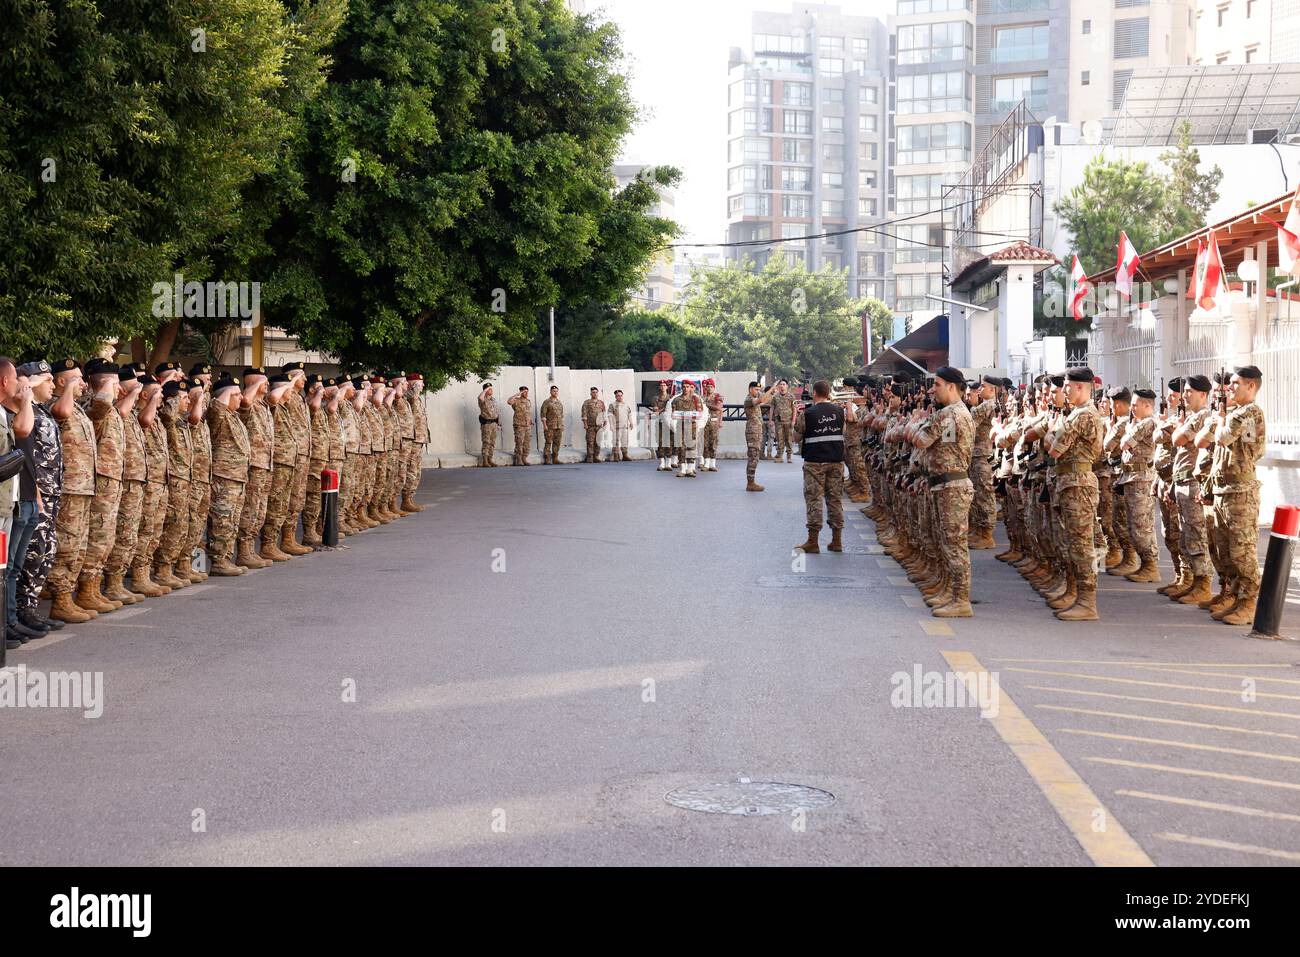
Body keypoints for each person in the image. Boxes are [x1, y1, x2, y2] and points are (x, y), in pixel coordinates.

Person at [904, 366, 975, 618]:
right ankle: (949, 591)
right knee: (945, 542)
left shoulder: (950, 415)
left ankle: (960, 599)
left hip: (952, 486)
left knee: (954, 545)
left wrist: (913, 425)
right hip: (945, 484)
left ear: (952, 387)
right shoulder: (953, 415)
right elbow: (942, 446)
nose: (933, 389)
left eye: (937, 384)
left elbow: (921, 440)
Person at [1204, 365, 1267, 626]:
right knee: (1225, 550)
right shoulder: (1236, 413)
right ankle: (1234, 597)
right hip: (1225, 489)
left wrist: (1221, 417)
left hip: (1241, 492)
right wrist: (1209, 487)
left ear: (1251, 386)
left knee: (1242, 552)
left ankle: (1249, 602)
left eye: (1235, 383)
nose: (1229, 388)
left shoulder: (1249, 413)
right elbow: (1219, 458)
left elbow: (1223, 438)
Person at [1043, 367, 1105, 621]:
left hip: (1078, 484)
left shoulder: (1083, 415)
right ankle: (1075, 593)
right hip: (1070, 482)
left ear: (1080, 387)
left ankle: (1087, 601)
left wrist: (1051, 435)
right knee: (1072, 542)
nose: (1064, 391)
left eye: (1067, 386)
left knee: (1081, 546)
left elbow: (1054, 449)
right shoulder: (1077, 414)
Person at [15, 361, 66, 636]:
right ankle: (21, 610)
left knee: (44, 552)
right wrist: (30, 382)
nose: (54, 384)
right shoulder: (23, 410)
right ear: (32, 382)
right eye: (47, 380)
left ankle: (30, 607)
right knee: (30, 554)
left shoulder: (42, 412)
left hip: (50, 493)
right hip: (35, 492)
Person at [102, 367, 148, 605]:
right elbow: (118, 408)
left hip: (129, 479)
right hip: (116, 479)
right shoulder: (108, 407)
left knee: (128, 533)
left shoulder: (129, 412)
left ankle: (119, 582)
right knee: (114, 534)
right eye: (131, 388)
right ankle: (109, 584)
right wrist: (132, 394)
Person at [1167, 374, 1213, 605]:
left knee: (1196, 536)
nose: (1184, 395)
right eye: (1184, 391)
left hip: (1193, 483)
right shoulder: (1191, 417)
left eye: (1189, 392)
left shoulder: (1203, 415)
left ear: (1203, 395)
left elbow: (1177, 439)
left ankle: (1203, 584)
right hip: (1182, 481)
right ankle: (1192, 581)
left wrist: (1179, 429)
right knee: (1186, 537)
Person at [2, 358, 38, 643]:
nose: (21, 387)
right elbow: (23, 430)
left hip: (11, 501)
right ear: (5, 382)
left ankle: (8, 622)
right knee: (5, 567)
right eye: (17, 381)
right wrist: (26, 400)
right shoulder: (6, 413)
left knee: (10, 567)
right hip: (5, 503)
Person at [792, 380, 845, 553]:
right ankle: (837, 541)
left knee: (814, 499)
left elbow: (795, 438)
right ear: (828, 392)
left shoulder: (808, 413)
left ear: (814, 393)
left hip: (814, 463)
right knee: (835, 499)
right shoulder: (840, 412)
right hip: (836, 462)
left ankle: (813, 541)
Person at [206, 375, 251, 575]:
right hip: (224, 477)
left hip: (238, 477)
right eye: (236, 394)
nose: (240, 397)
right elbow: (216, 409)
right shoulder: (218, 415)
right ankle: (218, 561)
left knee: (232, 520)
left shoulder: (234, 417)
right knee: (221, 520)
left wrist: (233, 391)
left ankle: (226, 558)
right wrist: (226, 391)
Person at [1116, 388, 1161, 584]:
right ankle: (1144, 564)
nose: (1132, 408)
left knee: (1142, 525)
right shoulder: (1137, 423)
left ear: (1148, 406)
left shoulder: (1148, 423)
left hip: (1141, 479)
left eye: (1136, 405)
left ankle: (1150, 566)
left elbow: (1124, 443)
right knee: (1134, 524)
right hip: (1132, 477)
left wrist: (1129, 430)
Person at [237, 368, 274, 567]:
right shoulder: (248, 403)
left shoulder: (263, 405)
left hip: (265, 464)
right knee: (250, 509)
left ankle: (251, 550)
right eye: (263, 382)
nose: (267, 385)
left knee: (259, 510)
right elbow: (245, 402)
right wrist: (253, 385)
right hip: (254, 464)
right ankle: (243, 551)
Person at [967, 375, 999, 549]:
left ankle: (986, 534)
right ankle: (979, 531)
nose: (979, 389)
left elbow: (969, 423)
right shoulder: (984, 405)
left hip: (981, 455)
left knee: (984, 495)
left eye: (983, 387)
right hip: (977, 455)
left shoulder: (988, 405)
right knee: (978, 494)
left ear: (992, 389)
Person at [744, 381, 776, 492]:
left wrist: (771, 394)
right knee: (753, 457)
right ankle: (750, 483)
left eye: (759, 390)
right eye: (756, 390)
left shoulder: (754, 400)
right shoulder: (748, 400)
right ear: (750, 390)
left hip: (757, 431)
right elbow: (761, 400)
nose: (758, 392)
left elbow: (765, 401)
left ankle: (751, 482)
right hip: (752, 432)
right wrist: (771, 389)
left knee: (755, 456)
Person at [670, 379, 704, 477]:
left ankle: (690, 469)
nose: (685, 388)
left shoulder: (696, 399)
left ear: (690, 388)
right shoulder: (676, 400)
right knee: (681, 447)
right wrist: (676, 415)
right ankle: (682, 469)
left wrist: (693, 415)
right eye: (684, 386)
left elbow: (700, 413)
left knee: (691, 447)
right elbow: (673, 413)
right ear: (681, 387)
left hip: (692, 426)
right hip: (680, 426)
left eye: (687, 386)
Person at [701, 379, 724, 472]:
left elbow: (719, 408)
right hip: (704, 422)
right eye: (708, 386)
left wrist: (706, 405)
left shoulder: (718, 396)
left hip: (714, 422)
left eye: (711, 386)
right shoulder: (702, 397)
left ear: (714, 388)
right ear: (705, 387)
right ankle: (706, 463)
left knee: (713, 443)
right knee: (705, 443)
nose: (709, 388)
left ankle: (712, 464)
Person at [507, 385, 533, 466]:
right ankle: (518, 459)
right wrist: (517, 394)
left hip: (527, 425)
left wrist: (530, 421)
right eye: (524, 392)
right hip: (519, 425)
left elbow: (528, 412)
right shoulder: (516, 400)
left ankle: (524, 458)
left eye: (527, 391)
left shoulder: (528, 401)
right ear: (521, 392)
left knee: (527, 443)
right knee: (519, 442)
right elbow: (509, 402)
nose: (526, 393)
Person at [771, 380, 796, 463]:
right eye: (780, 384)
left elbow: (794, 408)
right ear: (778, 386)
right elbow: (772, 408)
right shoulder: (775, 397)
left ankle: (789, 456)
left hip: (788, 421)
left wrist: (793, 420)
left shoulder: (791, 396)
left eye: (784, 384)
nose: (782, 386)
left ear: (787, 386)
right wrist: (771, 420)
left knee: (788, 439)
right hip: (778, 421)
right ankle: (780, 456)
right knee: (779, 439)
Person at [580, 387, 606, 463]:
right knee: (590, 441)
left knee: (598, 442)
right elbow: (584, 413)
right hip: (590, 425)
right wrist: (585, 424)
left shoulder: (601, 402)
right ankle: (590, 457)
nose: (595, 393)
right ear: (590, 393)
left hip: (599, 425)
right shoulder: (587, 402)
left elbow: (603, 412)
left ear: (598, 393)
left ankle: (596, 456)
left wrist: (605, 421)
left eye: (596, 392)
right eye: (593, 392)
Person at [540, 385, 564, 464]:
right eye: (554, 391)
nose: (555, 392)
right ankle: (547, 458)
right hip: (550, 426)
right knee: (548, 442)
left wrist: (562, 425)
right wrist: (544, 425)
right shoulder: (547, 402)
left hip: (558, 426)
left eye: (557, 391)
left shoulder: (559, 403)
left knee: (557, 442)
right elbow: (543, 414)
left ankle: (555, 458)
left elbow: (561, 415)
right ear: (550, 392)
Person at [478, 383, 500, 467]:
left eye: (491, 388)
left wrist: (498, 424)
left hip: (494, 424)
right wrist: (486, 390)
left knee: (492, 443)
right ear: (485, 390)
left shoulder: (493, 400)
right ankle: (485, 460)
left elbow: (497, 412)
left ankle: (490, 459)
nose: (491, 390)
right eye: (489, 389)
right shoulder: (483, 399)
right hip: (486, 424)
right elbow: (480, 397)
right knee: (486, 442)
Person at [652, 380, 673, 471]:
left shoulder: (671, 398)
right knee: (660, 442)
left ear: (667, 387)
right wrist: (666, 407)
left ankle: (668, 463)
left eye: (664, 385)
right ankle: (661, 463)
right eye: (661, 385)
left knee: (669, 442)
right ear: (659, 387)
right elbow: (656, 412)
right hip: (660, 422)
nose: (663, 387)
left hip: (669, 423)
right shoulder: (655, 399)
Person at [608, 389, 634, 462]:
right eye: (618, 396)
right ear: (615, 397)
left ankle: (625, 455)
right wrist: (611, 426)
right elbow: (609, 415)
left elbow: (629, 414)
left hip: (625, 426)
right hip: (617, 426)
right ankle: (616, 455)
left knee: (625, 441)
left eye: (621, 395)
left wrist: (631, 423)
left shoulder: (626, 405)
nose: (620, 397)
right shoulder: (612, 405)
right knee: (616, 441)